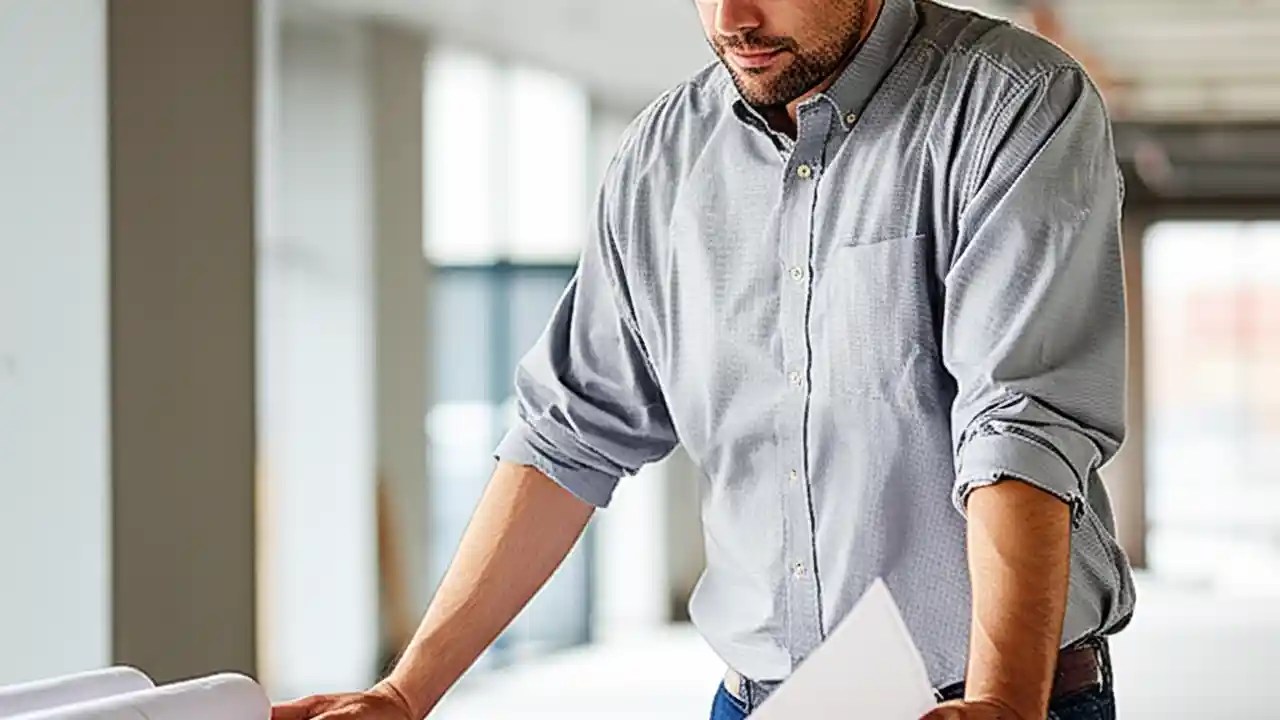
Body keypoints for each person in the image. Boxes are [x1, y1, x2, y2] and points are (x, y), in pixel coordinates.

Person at [272, 0, 1135, 718]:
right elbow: (568, 435)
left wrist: (1004, 700)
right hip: (754, 698)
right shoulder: (664, 155)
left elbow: (1017, 426)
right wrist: (405, 691)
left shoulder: (1010, 100)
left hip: (987, 695)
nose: (732, 19)